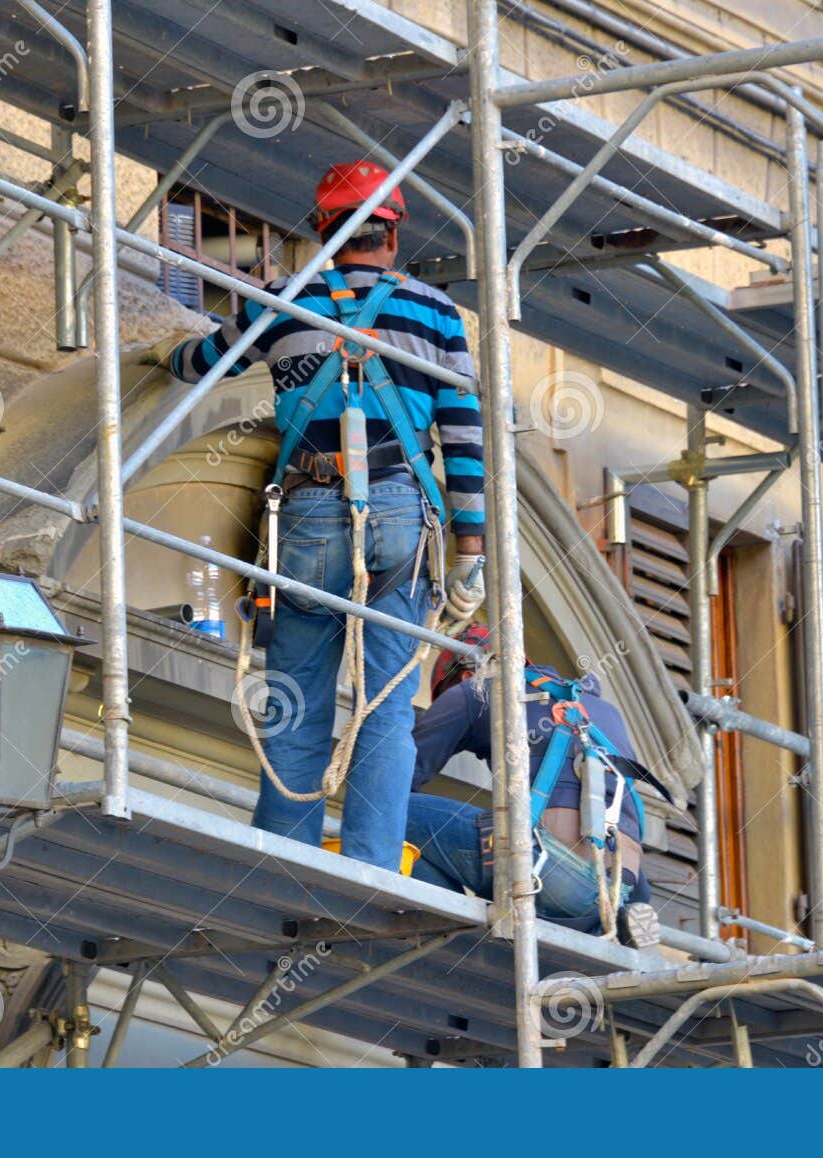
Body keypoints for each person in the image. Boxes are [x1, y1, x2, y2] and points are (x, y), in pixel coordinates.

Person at [166, 161, 487, 872]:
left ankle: (286, 862)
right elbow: (465, 435)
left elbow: (202, 363)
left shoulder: (281, 299)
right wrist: (471, 550)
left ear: (321, 231)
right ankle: (373, 867)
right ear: (393, 234)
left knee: (298, 702)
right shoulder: (436, 314)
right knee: (384, 707)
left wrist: (164, 355)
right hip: (401, 514)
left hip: (306, 508)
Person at [406, 627, 664, 945]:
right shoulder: (602, 711)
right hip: (615, 894)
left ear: (462, 676)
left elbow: (400, 776)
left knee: (390, 811)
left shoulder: (474, 690)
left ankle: (447, 935)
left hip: (550, 873)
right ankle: (615, 920)